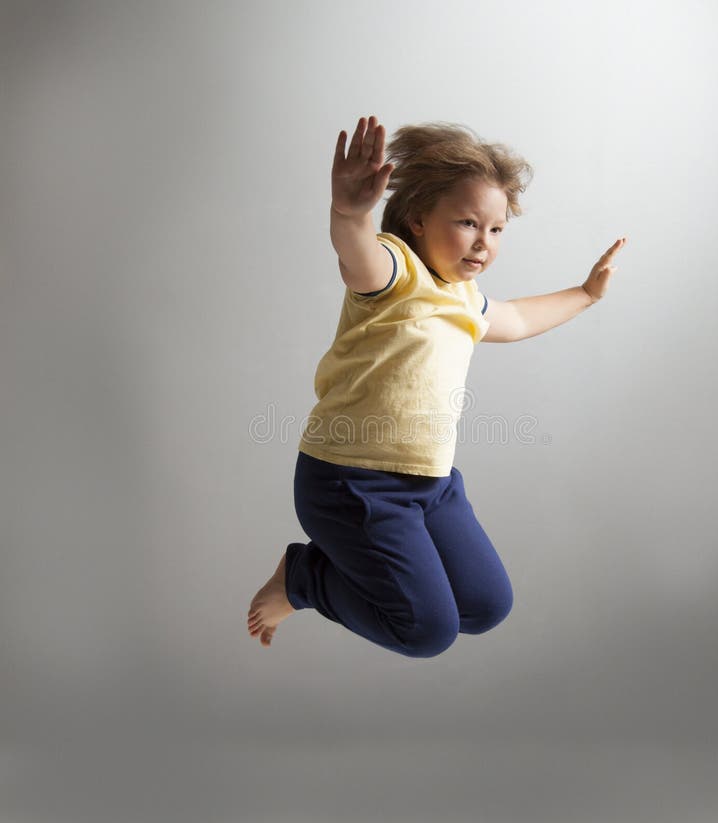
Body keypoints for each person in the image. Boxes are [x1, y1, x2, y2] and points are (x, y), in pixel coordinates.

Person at [247, 115, 627, 657]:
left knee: (486, 606)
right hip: (351, 483)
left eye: (496, 230)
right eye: (468, 223)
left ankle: (335, 570)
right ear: (419, 218)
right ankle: (304, 578)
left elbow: (516, 320)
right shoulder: (394, 272)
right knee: (426, 632)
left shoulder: (466, 298)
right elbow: (357, 252)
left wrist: (586, 293)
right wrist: (349, 213)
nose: (484, 243)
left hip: (431, 484)